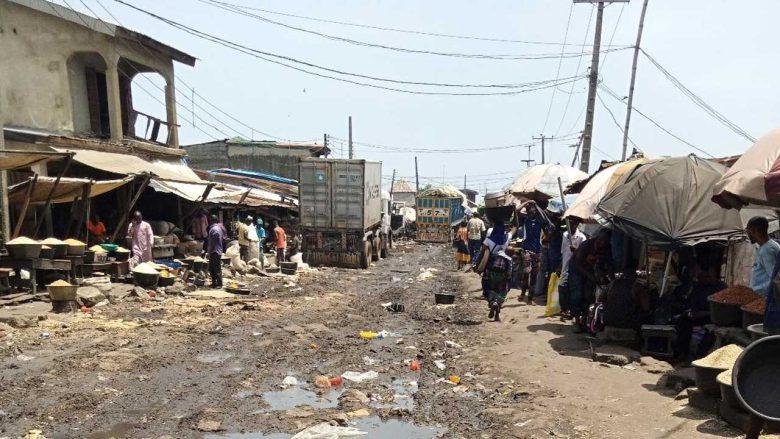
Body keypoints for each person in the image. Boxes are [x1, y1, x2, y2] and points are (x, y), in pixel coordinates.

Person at [569, 232, 611, 332]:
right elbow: (578, 263)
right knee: (577, 294)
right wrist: (590, 276)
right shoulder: (586, 245)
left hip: (590, 271)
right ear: (598, 240)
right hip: (576, 269)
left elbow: (608, 264)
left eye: (605, 242)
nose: (603, 244)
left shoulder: (606, 248)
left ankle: (584, 322)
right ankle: (577, 321)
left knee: (588, 295)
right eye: (602, 241)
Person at [476, 219, 514, 322]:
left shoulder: (488, 240)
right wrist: (514, 212)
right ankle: (497, 311)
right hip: (505, 266)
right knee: (502, 289)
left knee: (488, 287)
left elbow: (481, 254)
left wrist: (477, 267)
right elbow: (515, 226)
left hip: (491, 267)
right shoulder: (507, 238)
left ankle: (492, 302)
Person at [746, 216, 780, 297]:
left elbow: (775, 278)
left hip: (765, 297)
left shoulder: (767, 250)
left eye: (748, 231)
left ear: (753, 231)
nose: (748, 234)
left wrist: (758, 290)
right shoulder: (770, 245)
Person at [558, 219, 586, 317]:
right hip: (565, 266)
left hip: (576, 268)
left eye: (572, 223)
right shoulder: (565, 235)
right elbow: (563, 252)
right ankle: (564, 308)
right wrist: (560, 266)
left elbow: (584, 255)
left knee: (574, 291)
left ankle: (573, 312)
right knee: (562, 288)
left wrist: (576, 250)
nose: (570, 225)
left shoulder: (582, 238)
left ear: (577, 224)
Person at [206, 215, 226, 288]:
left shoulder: (214, 229)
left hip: (215, 251)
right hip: (215, 251)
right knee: (212, 268)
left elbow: (214, 239)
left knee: (216, 268)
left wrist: (209, 251)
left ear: (211, 220)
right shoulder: (217, 228)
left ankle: (219, 284)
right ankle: (214, 283)